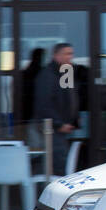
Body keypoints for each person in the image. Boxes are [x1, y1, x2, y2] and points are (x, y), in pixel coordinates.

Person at [34, 42, 80, 175]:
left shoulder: (66, 73)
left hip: (66, 129)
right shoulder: (47, 75)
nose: (70, 57)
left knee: (64, 163)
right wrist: (59, 124)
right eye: (67, 54)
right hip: (53, 130)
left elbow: (70, 98)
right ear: (56, 56)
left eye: (71, 54)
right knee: (58, 165)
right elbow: (44, 104)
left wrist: (73, 121)